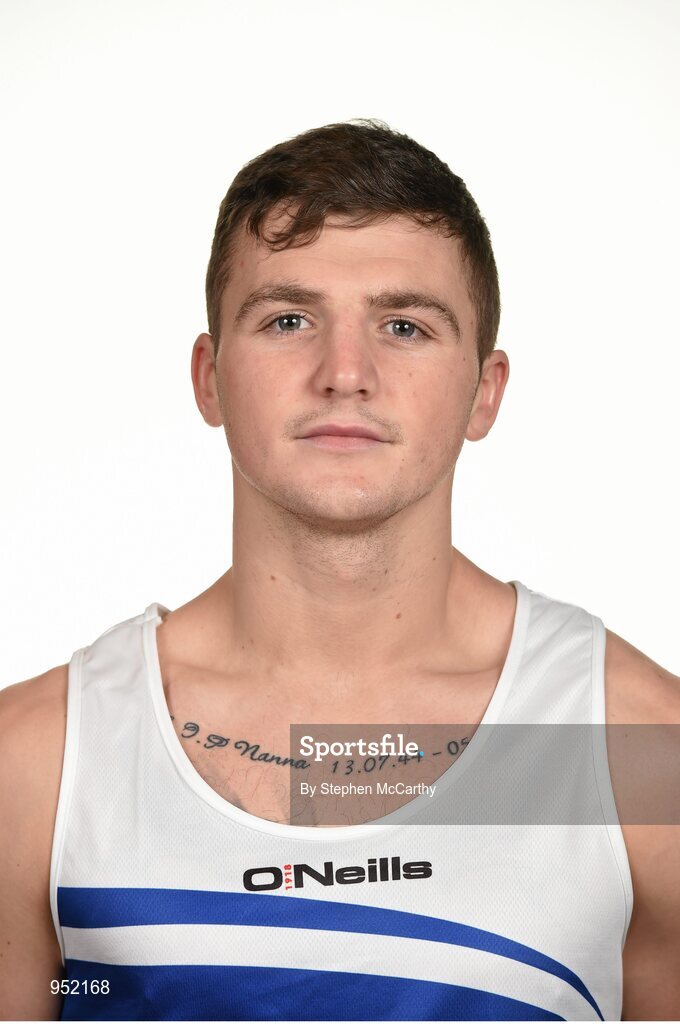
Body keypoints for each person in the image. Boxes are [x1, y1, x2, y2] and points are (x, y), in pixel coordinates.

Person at [0, 118, 678, 1023]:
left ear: (485, 390)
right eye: (288, 319)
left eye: (405, 324)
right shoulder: (42, 763)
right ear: (209, 377)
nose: (344, 372)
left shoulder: (635, 752)